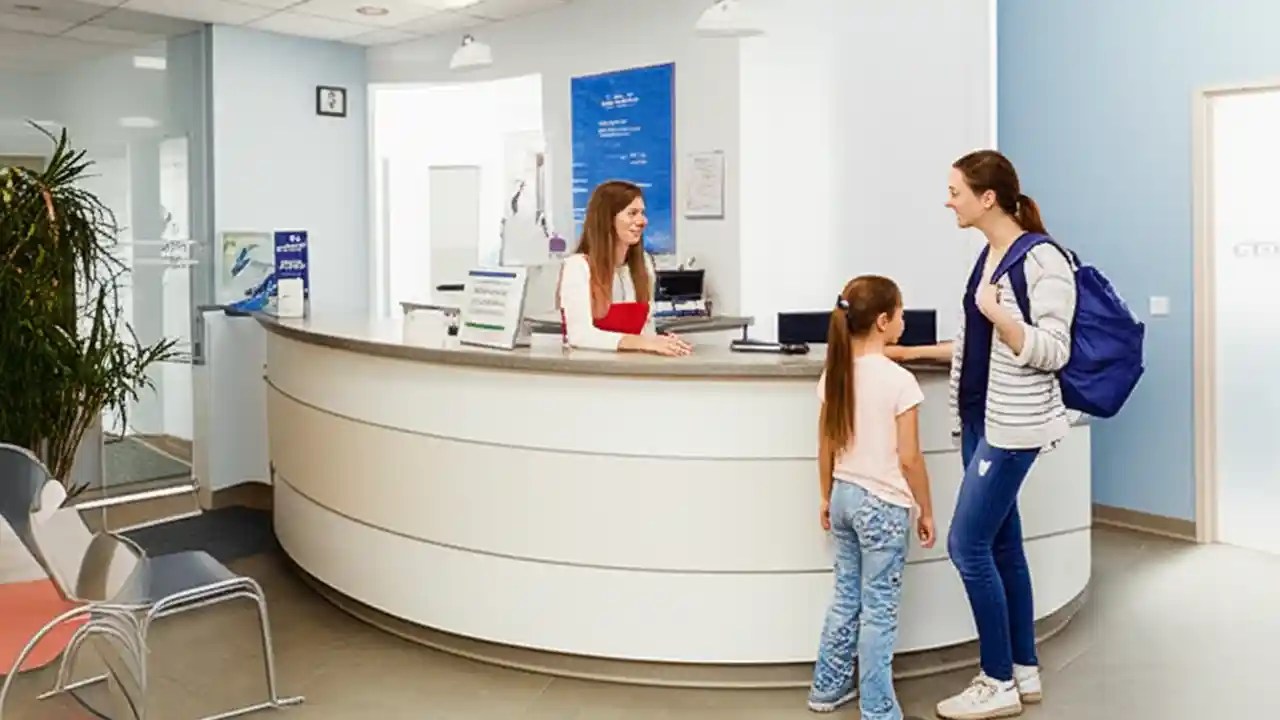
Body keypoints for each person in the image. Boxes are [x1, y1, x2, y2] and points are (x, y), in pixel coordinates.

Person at [932, 150, 1076, 720]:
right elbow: (977, 345)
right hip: (979, 419)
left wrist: (1000, 316)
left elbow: (1054, 351)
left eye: (955, 191)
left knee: (966, 546)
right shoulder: (988, 256)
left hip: (1012, 428)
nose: (948, 200)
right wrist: (906, 350)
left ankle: (995, 682)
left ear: (987, 197)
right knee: (1002, 546)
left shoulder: (1043, 260)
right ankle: (1023, 670)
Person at [808, 275, 936, 718]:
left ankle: (827, 687)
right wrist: (926, 509)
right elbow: (910, 458)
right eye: (901, 313)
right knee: (879, 608)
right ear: (884, 321)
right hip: (883, 504)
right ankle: (879, 708)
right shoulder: (900, 382)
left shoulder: (836, 374)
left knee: (846, 597)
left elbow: (825, 443)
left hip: (843, 494)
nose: (904, 320)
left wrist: (826, 496)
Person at [556, 180, 692, 356]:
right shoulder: (578, 267)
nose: (642, 221)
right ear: (608, 219)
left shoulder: (644, 264)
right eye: (632, 213)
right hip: (591, 374)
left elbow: (646, 328)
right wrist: (641, 342)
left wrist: (661, 342)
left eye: (642, 213)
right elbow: (580, 336)